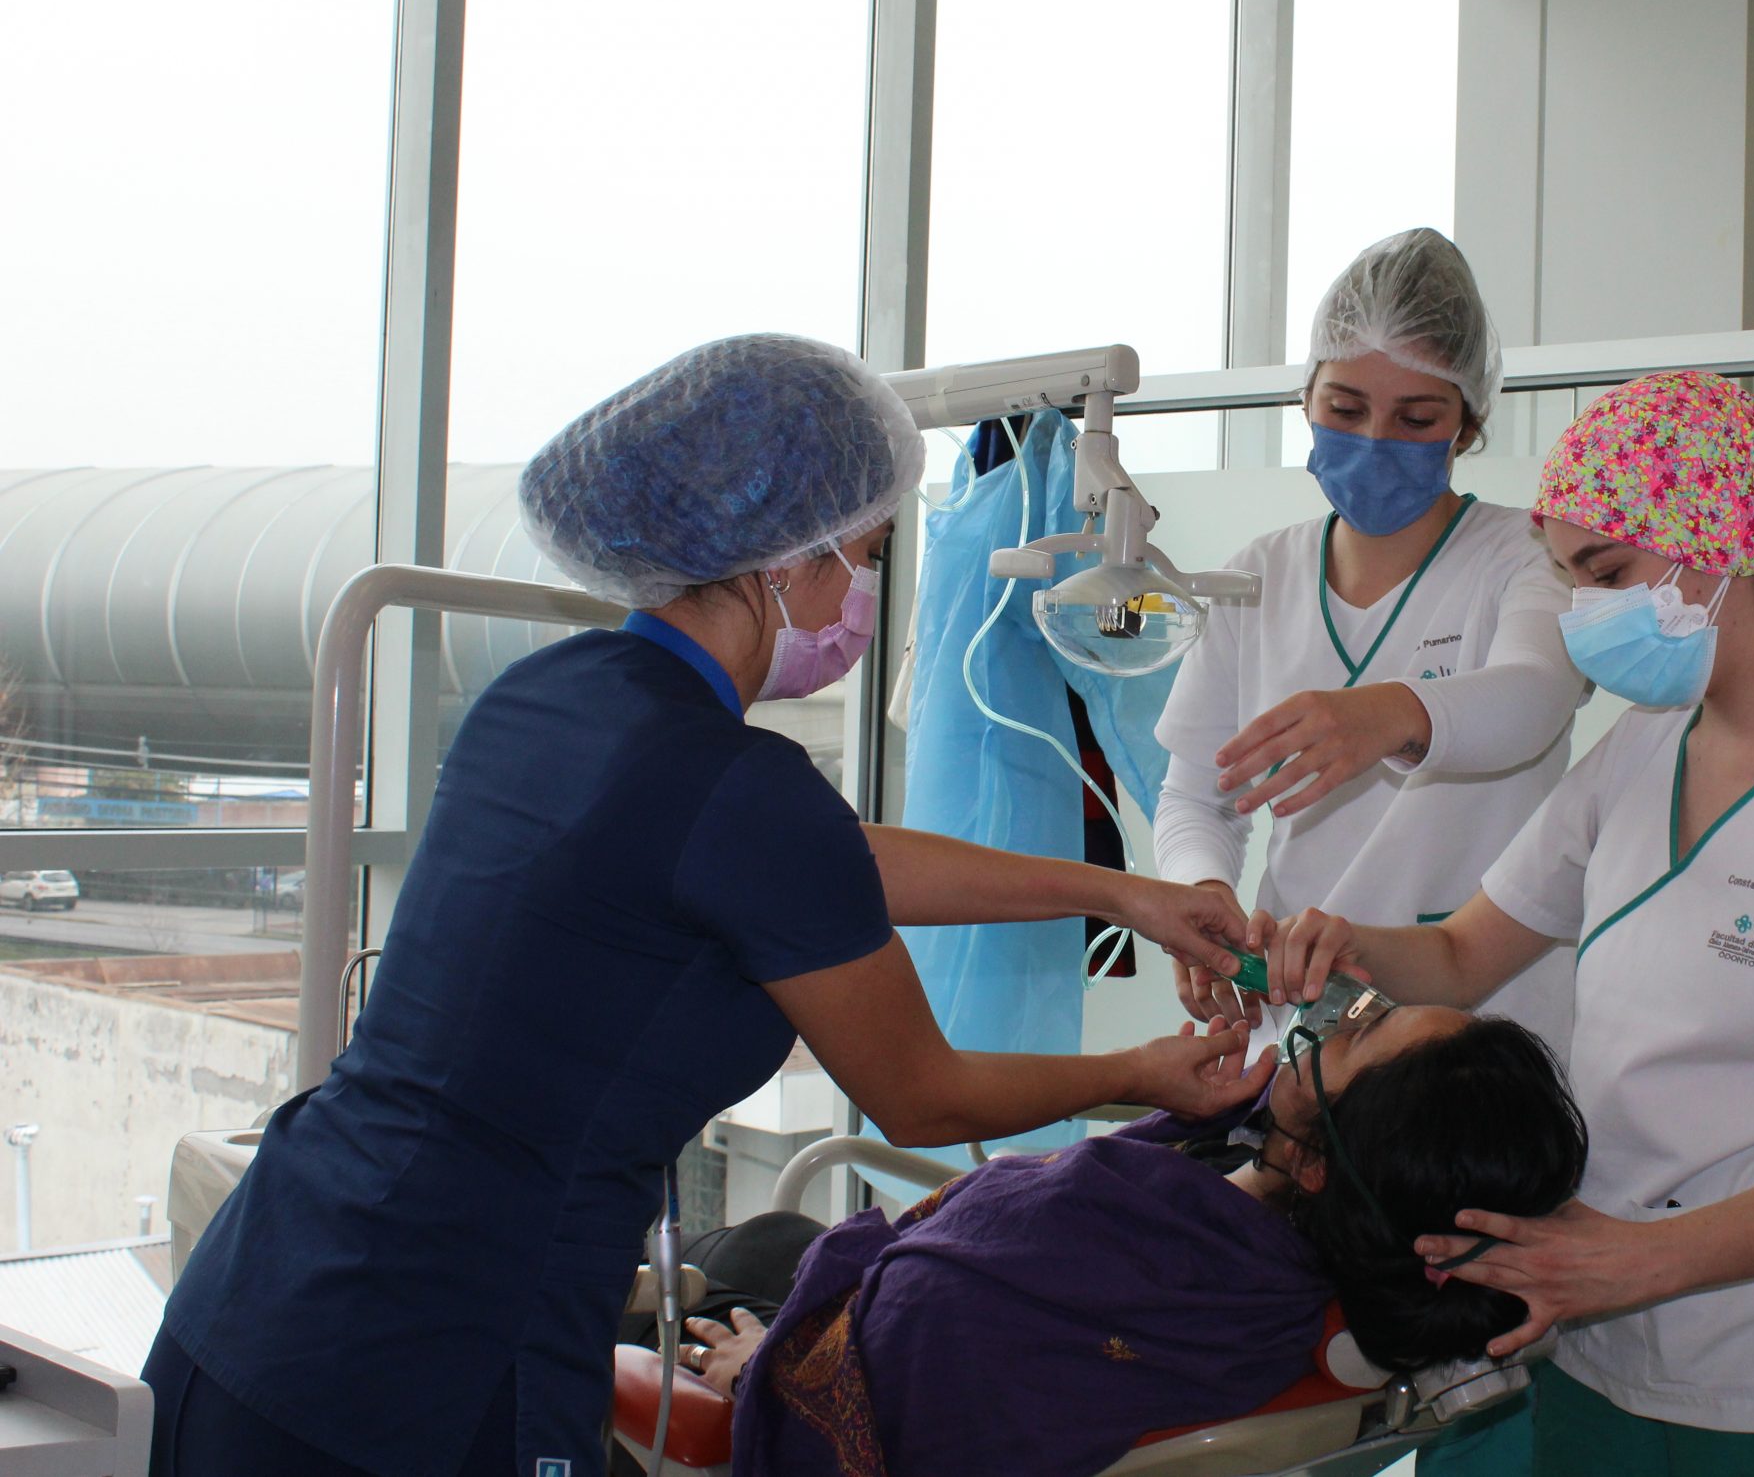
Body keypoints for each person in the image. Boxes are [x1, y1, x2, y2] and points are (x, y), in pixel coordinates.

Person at [143, 335, 1269, 1477]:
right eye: (865, 557)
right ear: (782, 564)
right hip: (432, 1360)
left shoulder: (550, 695)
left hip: (258, 1288)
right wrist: (1139, 1078)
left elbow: (823, 861)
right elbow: (921, 1095)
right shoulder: (738, 791)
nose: (864, 595)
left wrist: (1129, 896)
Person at [1258, 371, 1754, 1477]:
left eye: (1606, 575)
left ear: (1715, 549)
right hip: (1590, 1334)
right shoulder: (1641, 748)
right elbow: (1462, 954)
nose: (1585, 616)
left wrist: (1646, 1262)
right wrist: (1339, 940)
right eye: (1571, 580)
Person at [672, 1010, 1588, 1477]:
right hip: (885, 1302)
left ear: (1319, 1163)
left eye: (1356, 1033)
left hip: (830, 1343)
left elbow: (916, 1335)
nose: (1336, 1020)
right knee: (778, 1239)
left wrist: (767, 1366)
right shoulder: (1294, 1271)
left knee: (735, 1255)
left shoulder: (1126, 1235)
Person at [1153, 226, 1584, 1053]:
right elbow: (1194, 796)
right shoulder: (1263, 574)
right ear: (1306, 400)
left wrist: (1388, 714)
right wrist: (1202, 896)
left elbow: (1533, 695)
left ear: (1466, 426)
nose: (1376, 441)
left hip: (1483, 1034)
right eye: (1346, 409)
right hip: (1302, 1025)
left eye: (1416, 417)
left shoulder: (1526, 558)